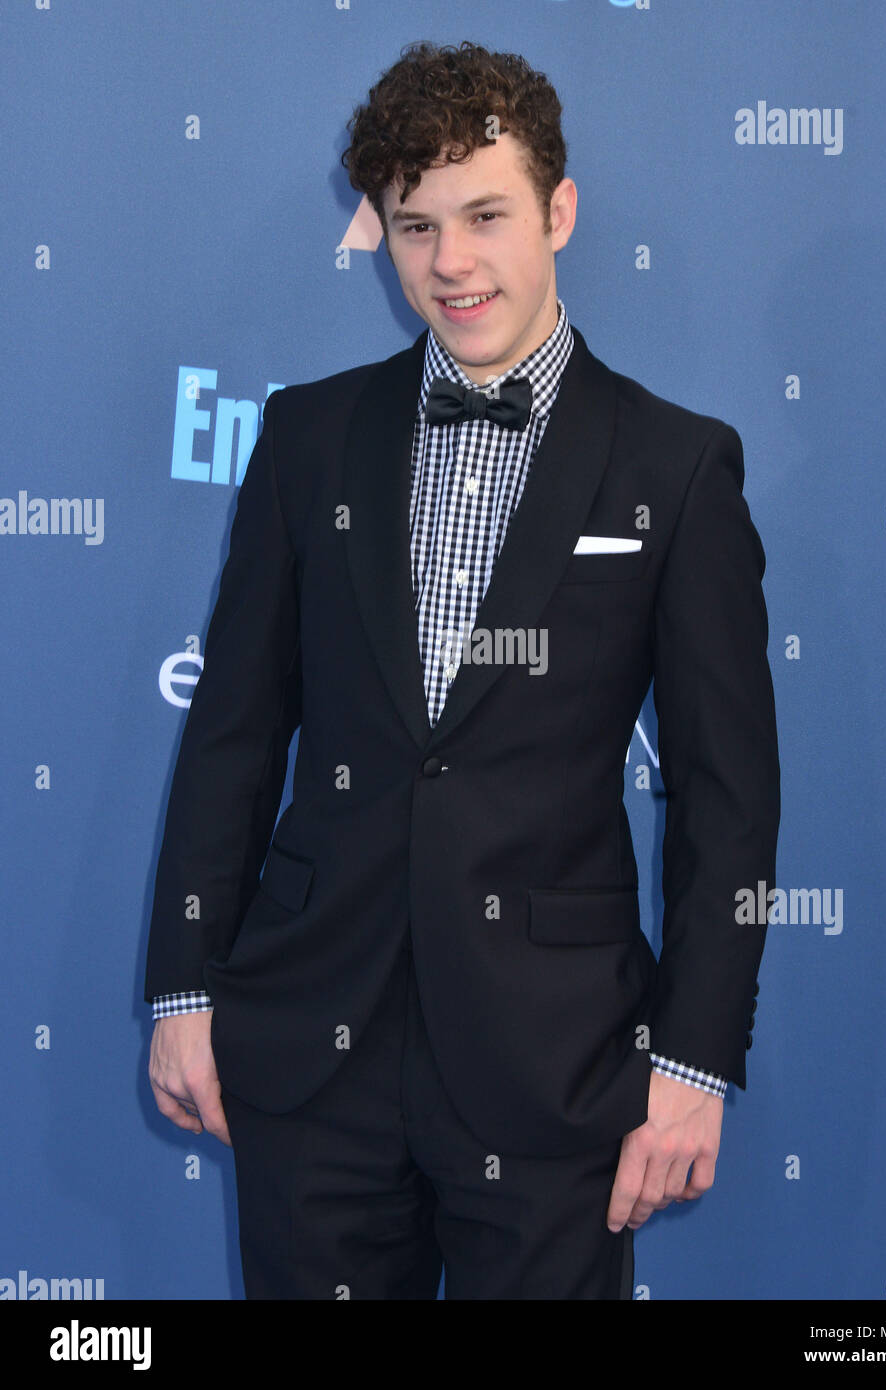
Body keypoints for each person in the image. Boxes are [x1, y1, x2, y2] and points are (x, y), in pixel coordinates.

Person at [145, 40, 780, 1300]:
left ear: (558, 210)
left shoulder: (676, 466)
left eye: (484, 215)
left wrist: (694, 1065)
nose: (448, 263)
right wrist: (180, 983)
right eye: (413, 224)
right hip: (311, 1048)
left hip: (554, 1065)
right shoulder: (309, 436)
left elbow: (726, 794)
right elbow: (233, 730)